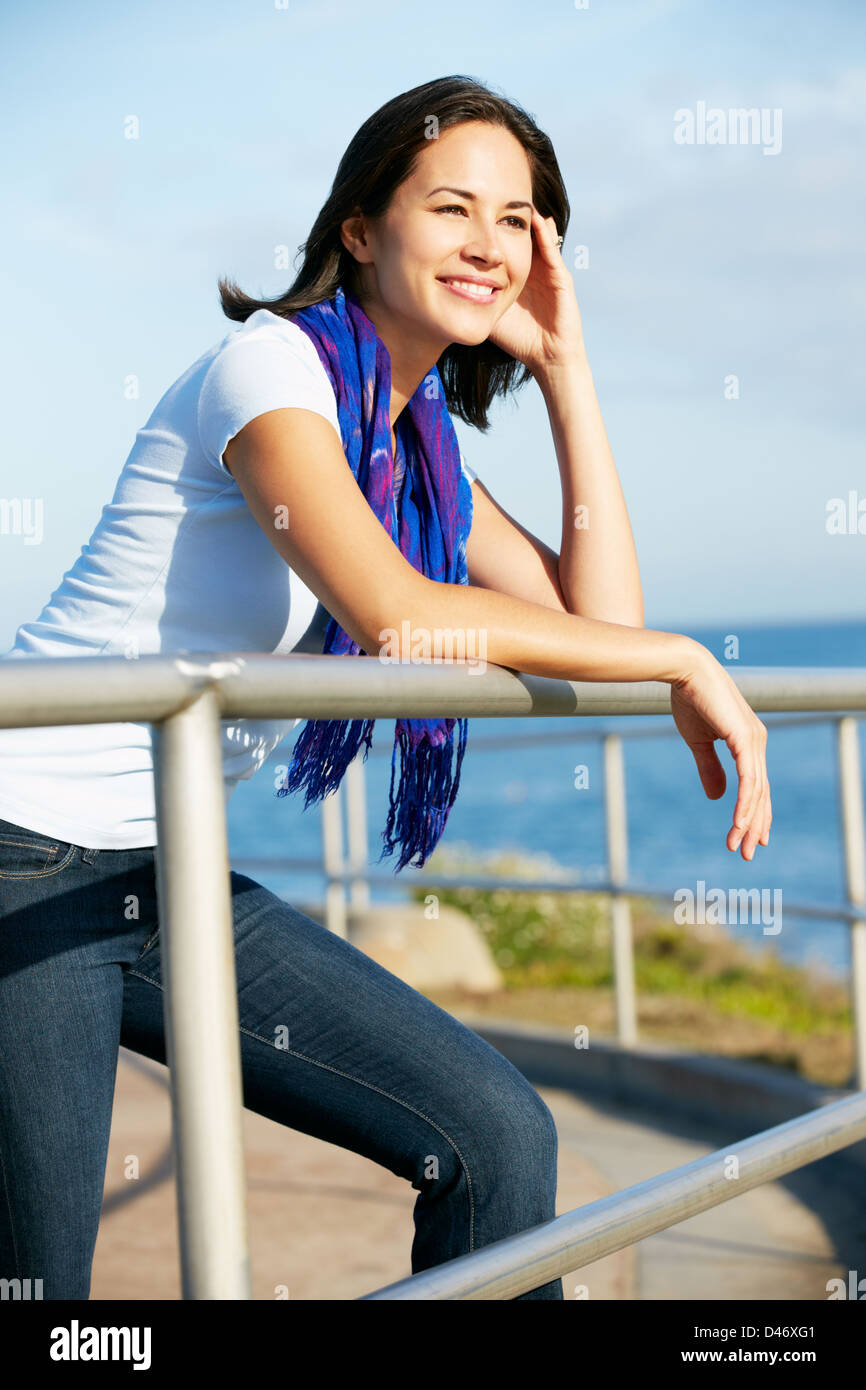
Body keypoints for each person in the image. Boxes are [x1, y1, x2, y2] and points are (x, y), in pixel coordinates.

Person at [0, 75, 770, 1302]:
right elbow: (400, 613)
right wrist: (687, 658)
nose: (490, 245)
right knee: (42, 1293)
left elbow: (596, 623)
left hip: (160, 870)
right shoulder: (268, 374)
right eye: (453, 206)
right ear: (359, 228)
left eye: (518, 219)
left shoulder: (415, 453)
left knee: (496, 1136)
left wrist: (568, 373)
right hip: (22, 859)